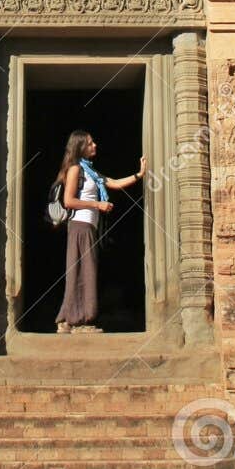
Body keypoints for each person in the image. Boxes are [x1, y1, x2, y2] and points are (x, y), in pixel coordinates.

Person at [55, 129, 147, 333]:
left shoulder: (90, 171)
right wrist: (97, 205)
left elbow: (113, 183)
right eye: (89, 143)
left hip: (88, 227)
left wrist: (139, 175)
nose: (94, 145)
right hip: (79, 226)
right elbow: (68, 201)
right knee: (82, 272)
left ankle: (69, 321)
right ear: (80, 147)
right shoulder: (75, 169)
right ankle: (78, 321)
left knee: (85, 271)